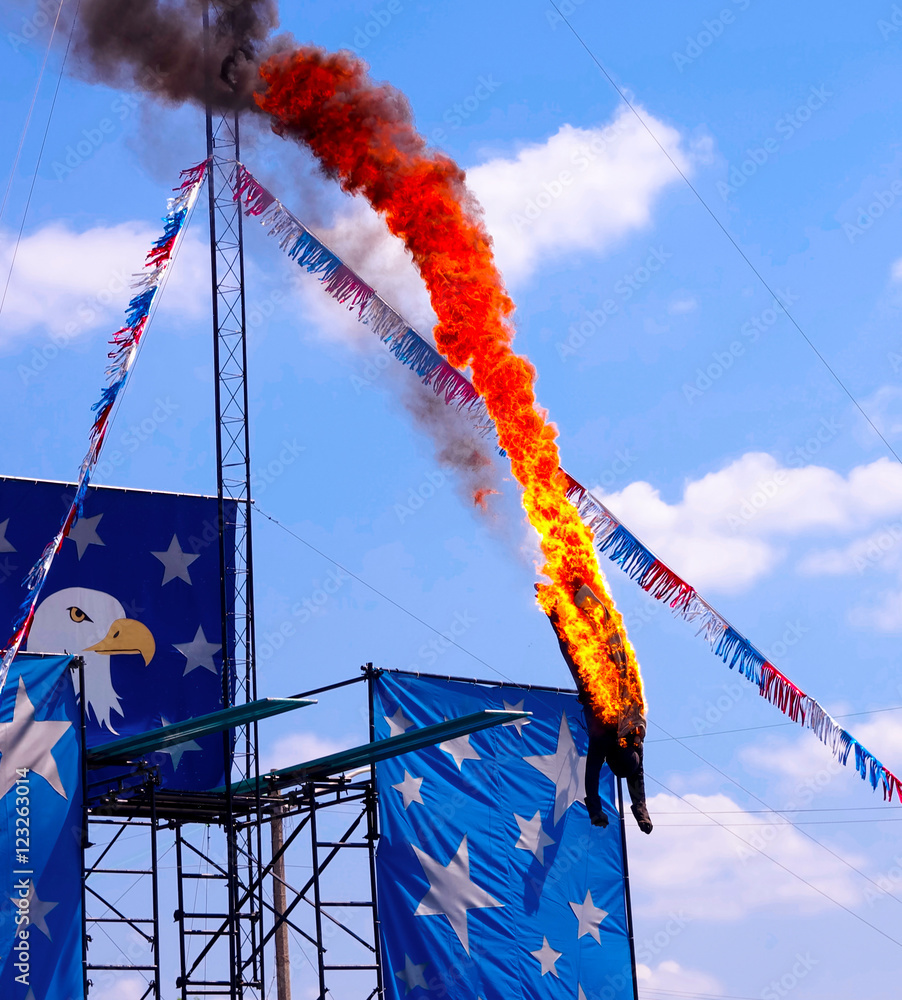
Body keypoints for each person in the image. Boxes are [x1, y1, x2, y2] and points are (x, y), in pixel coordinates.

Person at [542, 582, 653, 835]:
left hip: (593, 686)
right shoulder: (635, 738)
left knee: (572, 647)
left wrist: (595, 810)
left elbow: (591, 776)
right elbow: (638, 779)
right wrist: (641, 812)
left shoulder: (603, 741)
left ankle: (553, 606)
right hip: (618, 681)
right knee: (609, 633)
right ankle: (578, 590)